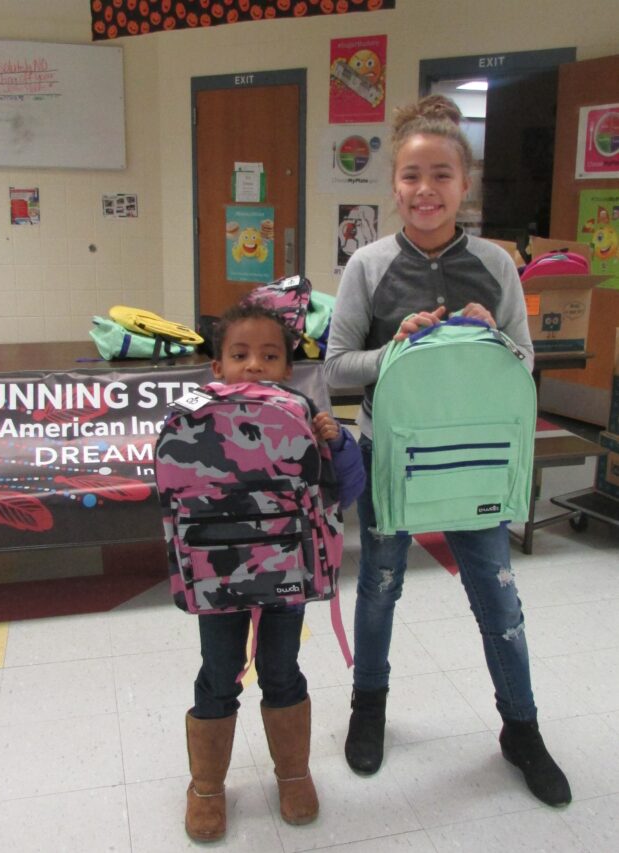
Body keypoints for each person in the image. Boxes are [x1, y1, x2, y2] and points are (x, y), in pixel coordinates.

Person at [323, 95, 571, 808]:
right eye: (409, 175)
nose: (424, 189)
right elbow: (335, 367)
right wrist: (395, 348)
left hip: (476, 459)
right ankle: (368, 705)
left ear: (465, 185)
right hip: (391, 458)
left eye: (440, 174)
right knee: (378, 584)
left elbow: (522, 363)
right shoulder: (366, 266)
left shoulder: (494, 264)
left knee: (495, 592)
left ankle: (519, 727)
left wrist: (491, 336)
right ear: (392, 185)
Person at [183, 302, 365, 842]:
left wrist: (335, 443)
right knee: (218, 673)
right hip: (219, 572)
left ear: (288, 366)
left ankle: (293, 773)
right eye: (239, 355)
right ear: (217, 366)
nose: (254, 366)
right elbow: (176, 494)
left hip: (287, 568)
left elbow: (346, 493)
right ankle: (206, 786)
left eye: (269, 356)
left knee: (281, 669)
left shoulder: (304, 413)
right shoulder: (196, 413)